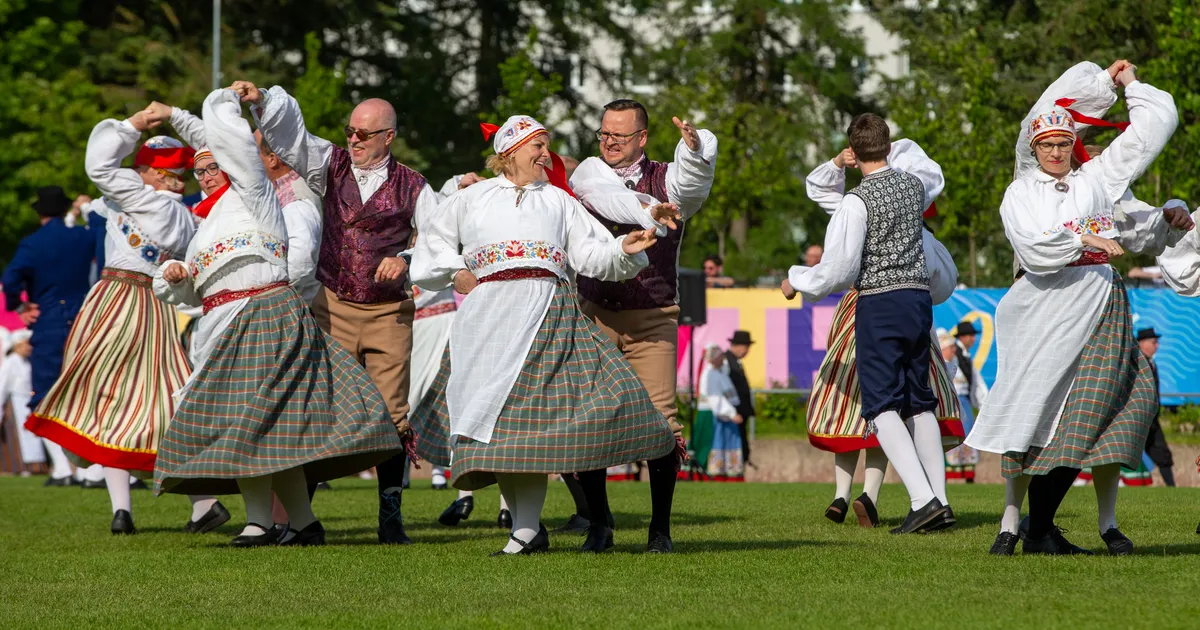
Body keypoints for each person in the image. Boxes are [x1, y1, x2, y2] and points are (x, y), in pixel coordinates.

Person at [409, 113, 676, 555]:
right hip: (487, 322)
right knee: (500, 427)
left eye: (546, 145)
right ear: (509, 151)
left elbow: (591, 253)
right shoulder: (472, 198)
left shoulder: (559, 200)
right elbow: (433, 240)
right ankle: (529, 530)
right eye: (537, 145)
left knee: (525, 424)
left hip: (546, 318)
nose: (545, 154)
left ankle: (528, 531)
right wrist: (455, 271)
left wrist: (623, 249)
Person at [151, 87, 405, 547]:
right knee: (258, 427)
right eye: (201, 169)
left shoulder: (258, 195)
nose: (207, 174)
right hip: (219, 325)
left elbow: (237, 147)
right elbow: (193, 289)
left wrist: (223, 103)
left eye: (214, 166)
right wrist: (174, 275)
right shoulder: (206, 223)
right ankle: (304, 522)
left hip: (262, 314)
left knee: (252, 422)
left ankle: (260, 521)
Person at [967, 60, 1188, 556]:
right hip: (1043, 305)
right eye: (1046, 144)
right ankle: (1012, 525)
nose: (1055, 151)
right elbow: (1030, 247)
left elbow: (1131, 230)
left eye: (1063, 143)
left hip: (1098, 304)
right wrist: (1082, 237)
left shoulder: (1094, 182)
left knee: (1116, 405)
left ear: (1073, 144)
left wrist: (1167, 221)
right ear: (1033, 147)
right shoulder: (1020, 191)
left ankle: (1104, 524)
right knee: (1034, 413)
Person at [236, 80, 438, 545]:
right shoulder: (331, 163)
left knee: (392, 416)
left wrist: (405, 259)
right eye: (350, 131)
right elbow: (291, 139)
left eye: (364, 134)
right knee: (318, 407)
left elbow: (440, 238)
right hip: (332, 306)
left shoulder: (416, 185)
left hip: (389, 312)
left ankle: (391, 519)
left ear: (389, 136)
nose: (354, 139)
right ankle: (300, 522)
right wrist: (264, 101)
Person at [784, 115, 958, 535]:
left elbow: (839, 271)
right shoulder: (914, 189)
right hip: (918, 300)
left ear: (853, 152)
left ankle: (923, 501)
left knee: (881, 405)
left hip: (879, 303)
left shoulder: (856, 202)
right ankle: (942, 500)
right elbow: (929, 175)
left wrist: (796, 278)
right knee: (919, 402)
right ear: (889, 146)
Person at [567, 98, 718, 552]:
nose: (610, 141)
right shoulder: (588, 174)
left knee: (662, 424)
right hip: (594, 312)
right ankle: (599, 524)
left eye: (620, 135)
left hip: (654, 314)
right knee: (589, 419)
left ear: (643, 138)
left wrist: (694, 152)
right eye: (604, 133)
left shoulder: (667, 176)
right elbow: (600, 197)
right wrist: (648, 210)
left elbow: (690, 191)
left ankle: (660, 531)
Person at [1, 186, 96, 488]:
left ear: (39, 212)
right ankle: (89, 470)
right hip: (84, 319)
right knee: (86, 393)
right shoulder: (84, 236)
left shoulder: (33, 243)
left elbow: (10, 280)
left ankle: (63, 469)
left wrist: (20, 306)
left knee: (45, 396)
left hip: (50, 321)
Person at [0, 330, 72, 482]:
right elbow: (2, 386)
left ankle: (36, 467)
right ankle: (21, 467)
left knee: (33, 435)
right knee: (19, 436)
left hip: (28, 401)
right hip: (14, 403)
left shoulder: (28, 362)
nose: (29, 348)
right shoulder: (10, 362)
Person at [943, 320, 988, 482]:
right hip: (955, 399)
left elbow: (974, 382)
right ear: (961, 337)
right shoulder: (955, 355)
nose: (973, 339)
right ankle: (955, 475)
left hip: (965, 400)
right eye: (970, 335)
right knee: (957, 434)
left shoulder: (964, 356)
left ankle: (966, 475)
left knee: (966, 435)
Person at [1135, 327, 1174, 486]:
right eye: (1153, 342)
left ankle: (1172, 489)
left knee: (1163, 454)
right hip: (1137, 419)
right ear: (1143, 343)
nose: (1156, 346)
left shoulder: (1151, 363)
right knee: (1122, 455)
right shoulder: (1136, 364)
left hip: (1152, 419)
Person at [700, 344, 744, 480]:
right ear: (713, 359)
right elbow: (716, 398)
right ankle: (716, 473)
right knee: (715, 443)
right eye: (719, 357)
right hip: (718, 415)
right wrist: (731, 413)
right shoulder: (711, 374)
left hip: (722, 414)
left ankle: (726, 472)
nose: (723, 359)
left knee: (725, 444)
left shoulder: (719, 372)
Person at [723, 331, 756, 467]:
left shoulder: (735, 361)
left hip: (740, 411)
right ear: (739, 346)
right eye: (746, 347)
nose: (747, 351)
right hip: (733, 412)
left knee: (741, 440)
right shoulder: (727, 361)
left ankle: (741, 463)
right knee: (735, 441)